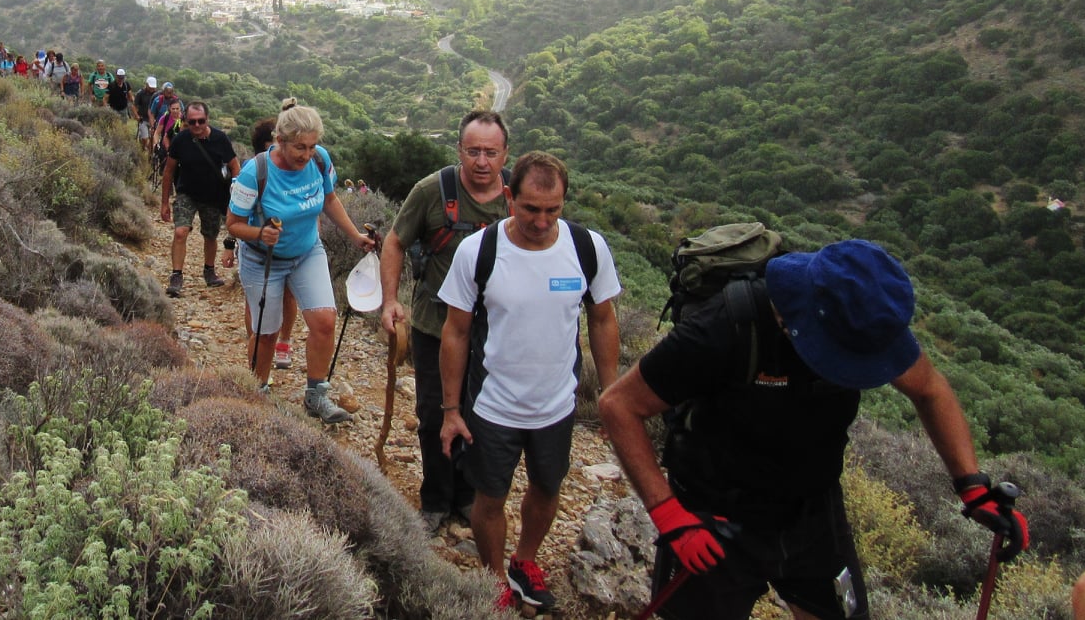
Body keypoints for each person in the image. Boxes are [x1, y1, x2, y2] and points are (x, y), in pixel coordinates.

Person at [599, 239, 1031, 620]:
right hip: (715, 514)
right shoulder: (723, 329)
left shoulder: (866, 322)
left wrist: (971, 484)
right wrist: (670, 515)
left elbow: (930, 389)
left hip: (813, 510)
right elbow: (619, 405)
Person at [438, 151, 621, 614]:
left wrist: (612, 395)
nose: (542, 221)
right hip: (493, 405)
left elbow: (602, 319)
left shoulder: (587, 248)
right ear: (508, 197)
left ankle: (525, 561)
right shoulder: (479, 251)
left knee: (547, 487)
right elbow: (456, 331)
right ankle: (494, 577)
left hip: (557, 406)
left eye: (553, 210)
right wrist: (451, 410)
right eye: (530, 209)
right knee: (490, 496)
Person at [379, 109, 512, 535]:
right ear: (460, 150)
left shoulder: (517, 196)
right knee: (435, 413)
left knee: (482, 415)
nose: (482, 161)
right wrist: (389, 301)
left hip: (496, 332)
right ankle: (436, 498)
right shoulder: (432, 191)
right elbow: (395, 242)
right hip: (435, 325)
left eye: (491, 152)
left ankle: (469, 497)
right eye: (473, 150)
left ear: (505, 153)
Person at [226, 100, 376, 423]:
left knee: (324, 320)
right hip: (262, 259)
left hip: (307, 252)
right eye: (299, 147)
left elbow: (331, 200)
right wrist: (259, 233)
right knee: (266, 332)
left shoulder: (320, 161)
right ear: (280, 140)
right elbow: (233, 224)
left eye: (311, 146)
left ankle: (316, 395)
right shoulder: (256, 172)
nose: (306, 155)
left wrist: (354, 236)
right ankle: (258, 394)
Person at [161, 101, 240, 296]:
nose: (197, 125)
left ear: (207, 120)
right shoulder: (180, 140)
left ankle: (209, 271)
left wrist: (236, 196)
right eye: (192, 122)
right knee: (180, 232)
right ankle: (176, 275)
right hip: (186, 193)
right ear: (186, 121)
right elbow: (169, 171)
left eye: (201, 121)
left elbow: (235, 166)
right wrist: (164, 203)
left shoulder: (221, 139)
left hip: (213, 197)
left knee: (210, 235)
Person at [250, 117, 299, 369]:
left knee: (289, 294)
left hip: (292, 247)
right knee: (255, 298)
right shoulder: (255, 170)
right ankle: (258, 344)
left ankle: (284, 341)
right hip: (255, 246)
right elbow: (235, 216)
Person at [134, 77, 160, 147]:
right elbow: (134, 106)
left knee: (152, 139)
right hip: (143, 119)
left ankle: (148, 151)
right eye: (150, 87)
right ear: (147, 85)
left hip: (153, 120)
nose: (152, 89)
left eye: (153, 87)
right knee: (145, 138)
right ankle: (143, 147)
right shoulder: (140, 93)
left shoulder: (157, 95)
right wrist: (136, 115)